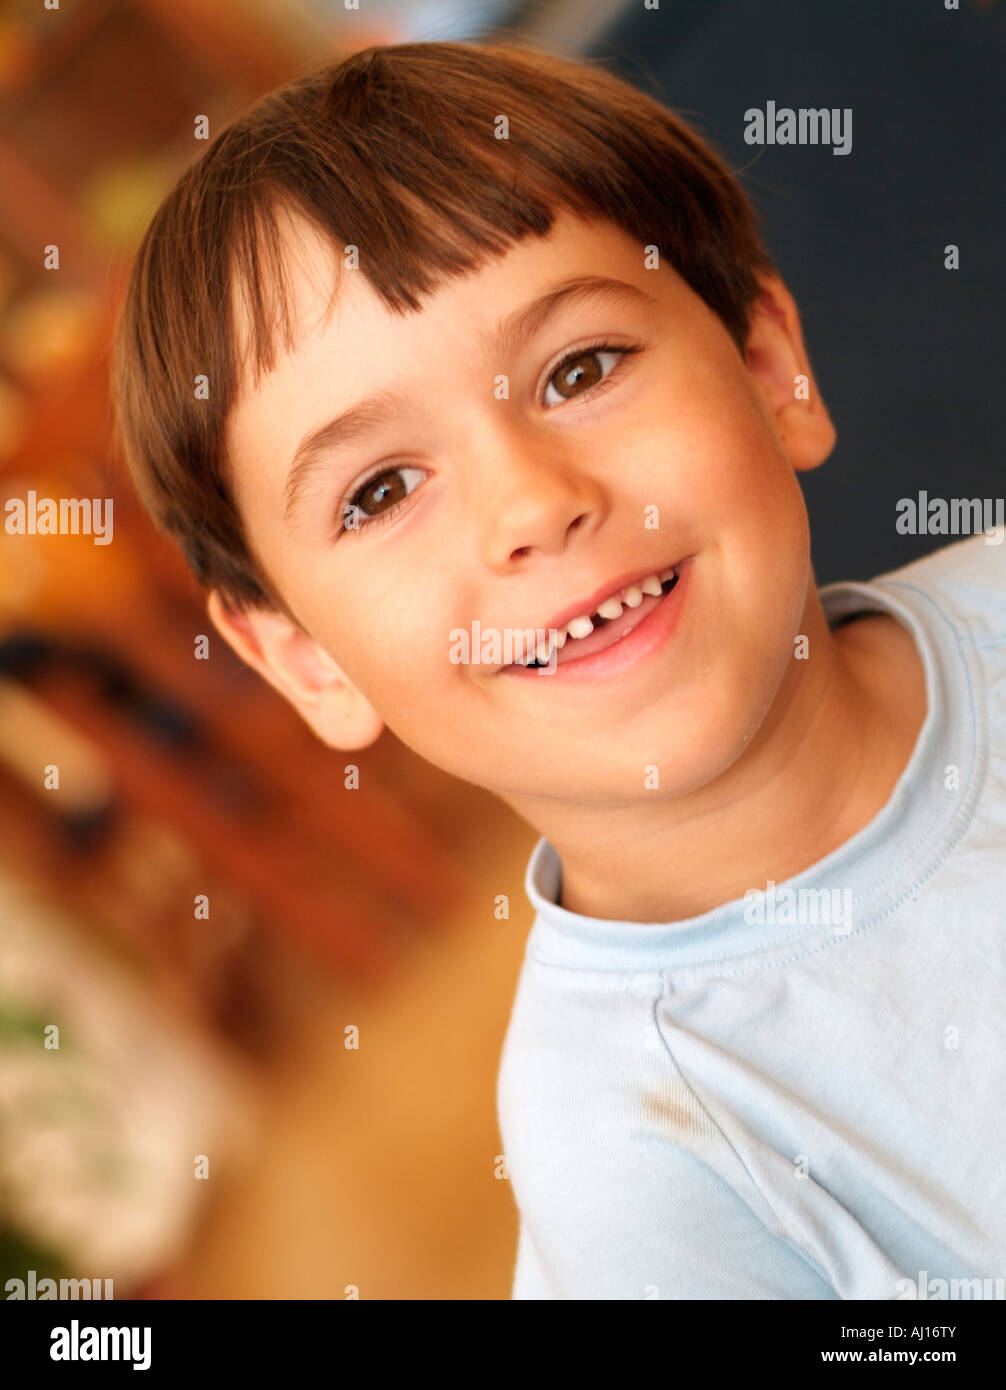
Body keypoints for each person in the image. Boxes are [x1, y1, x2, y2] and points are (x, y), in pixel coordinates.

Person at [112, 41, 1005, 1299]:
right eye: (379, 491)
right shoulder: (644, 1182)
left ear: (770, 370)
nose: (531, 502)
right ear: (305, 658)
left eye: (578, 370)